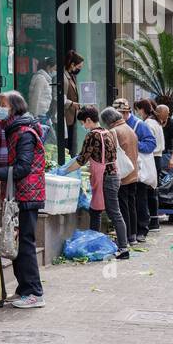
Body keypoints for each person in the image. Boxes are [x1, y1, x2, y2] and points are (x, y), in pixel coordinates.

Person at [0, 91, 45, 308]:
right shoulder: (13, 130)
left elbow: (22, 168)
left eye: (3, 105)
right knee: (17, 242)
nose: (0, 109)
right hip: (19, 193)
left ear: (14, 107)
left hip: (27, 193)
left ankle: (34, 293)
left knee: (25, 243)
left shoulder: (24, 133)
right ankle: (23, 289)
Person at [61, 105, 130, 258]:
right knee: (95, 210)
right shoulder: (107, 132)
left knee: (113, 212)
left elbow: (81, 160)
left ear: (88, 120)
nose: (82, 126)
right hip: (111, 175)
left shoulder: (93, 135)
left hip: (106, 177)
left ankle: (124, 249)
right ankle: (94, 241)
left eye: (82, 123)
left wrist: (63, 171)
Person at [115, 97, 158, 240]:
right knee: (129, 202)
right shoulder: (117, 126)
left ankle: (142, 229)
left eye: (122, 113)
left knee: (140, 200)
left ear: (127, 112)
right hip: (125, 169)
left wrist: (133, 144)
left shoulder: (139, 125)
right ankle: (131, 232)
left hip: (138, 170)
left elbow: (151, 144)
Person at [106, 106, 143, 245]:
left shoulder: (114, 131)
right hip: (133, 172)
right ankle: (132, 235)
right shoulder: (129, 129)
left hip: (122, 174)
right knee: (131, 204)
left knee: (123, 207)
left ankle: (125, 237)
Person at [138, 98, 166, 230]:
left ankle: (150, 221)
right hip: (158, 158)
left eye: (138, 110)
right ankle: (154, 221)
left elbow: (149, 144)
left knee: (146, 190)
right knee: (153, 189)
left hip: (151, 158)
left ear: (142, 109)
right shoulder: (157, 122)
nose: (138, 113)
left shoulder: (148, 123)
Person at [27, 56, 56, 139]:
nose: (55, 71)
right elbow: (35, 98)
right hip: (39, 114)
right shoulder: (40, 78)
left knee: (48, 137)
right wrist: (34, 115)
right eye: (54, 68)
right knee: (48, 138)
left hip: (43, 113)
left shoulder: (45, 78)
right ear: (48, 67)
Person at [63, 51, 84, 151]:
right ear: (72, 65)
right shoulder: (64, 77)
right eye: (79, 67)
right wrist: (71, 103)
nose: (79, 69)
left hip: (71, 115)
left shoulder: (71, 76)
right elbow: (59, 98)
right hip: (66, 115)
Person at [154, 103, 173, 174]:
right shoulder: (153, 123)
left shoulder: (171, 123)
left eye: (166, 116)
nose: (164, 119)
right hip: (155, 155)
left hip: (167, 154)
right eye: (162, 117)